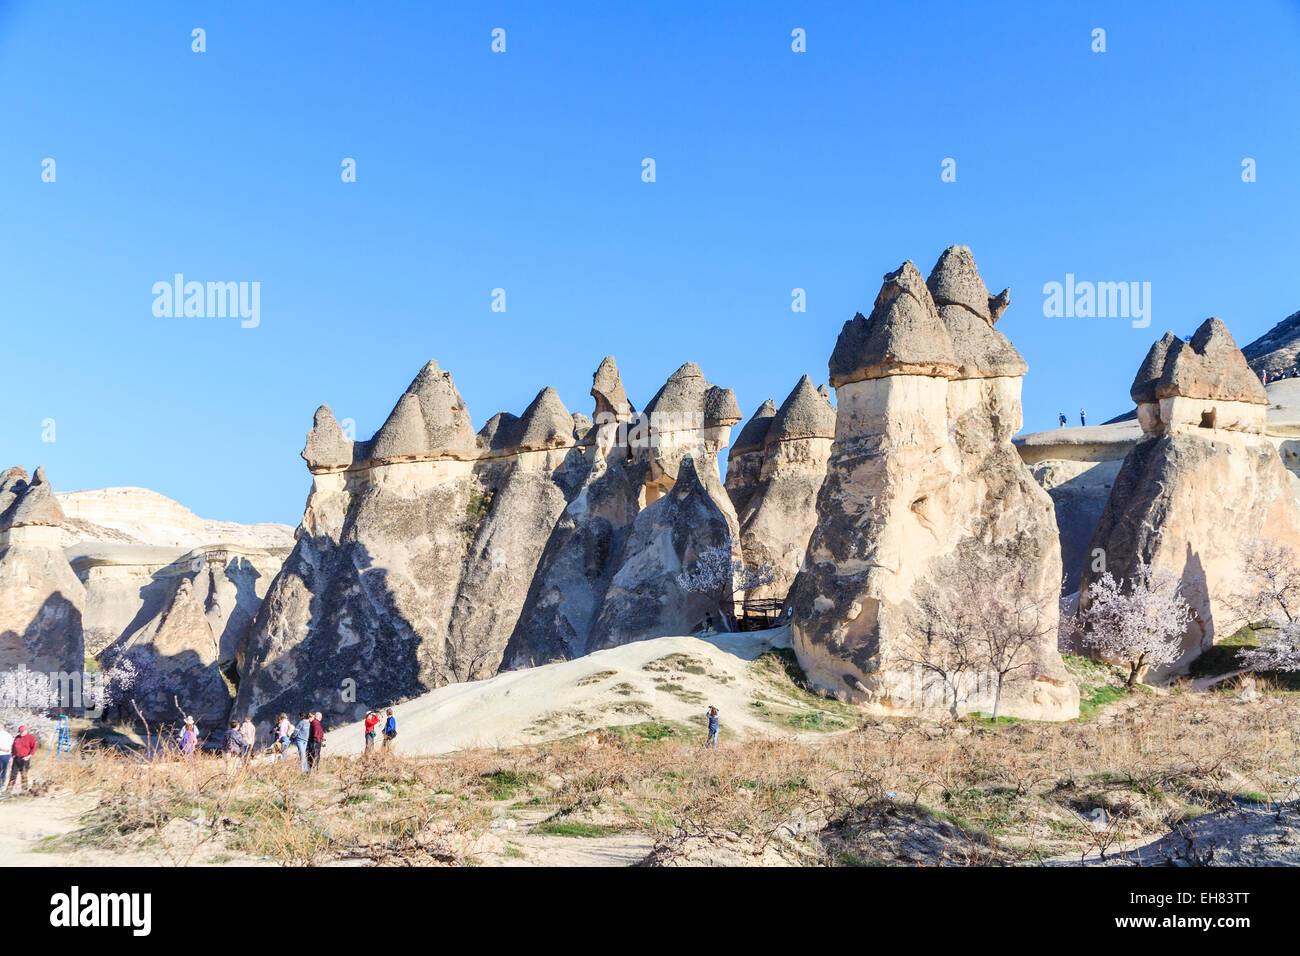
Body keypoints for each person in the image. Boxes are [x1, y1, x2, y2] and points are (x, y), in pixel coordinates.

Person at [8, 726, 37, 791]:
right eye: (20, 732)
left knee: (24, 775)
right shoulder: (17, 737)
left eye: (22, 732)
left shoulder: (30, 737)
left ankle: (24, 790)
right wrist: (13, 755)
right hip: (16, 759)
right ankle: (8, 790)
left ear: (26, 731)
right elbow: (13, 746)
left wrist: (29, 756)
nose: (21, 733)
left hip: (25, 759)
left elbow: (34, 748)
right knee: (13, 775)